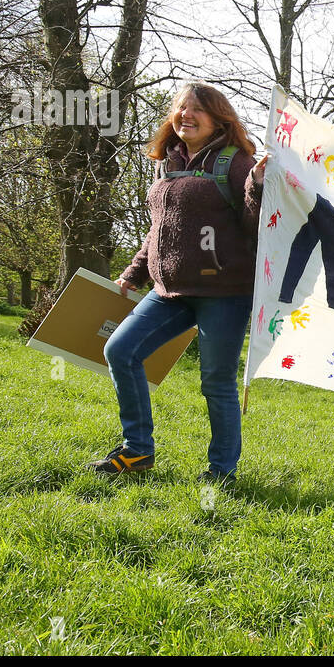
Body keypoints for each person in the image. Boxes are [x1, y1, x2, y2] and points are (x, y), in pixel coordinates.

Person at [92, 83, 266, 485]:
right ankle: (136, 451)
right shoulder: (165, 163)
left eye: (197, 110)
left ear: (219, 119)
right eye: (181, 108)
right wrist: (134, 273)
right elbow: (159, 230)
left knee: (215, 381)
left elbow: (255, 225)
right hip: (169, 291)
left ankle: (222, 471)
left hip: (224, 293)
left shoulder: (236, 162)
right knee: (120, 350)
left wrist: (256, 185)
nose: (186, 115)